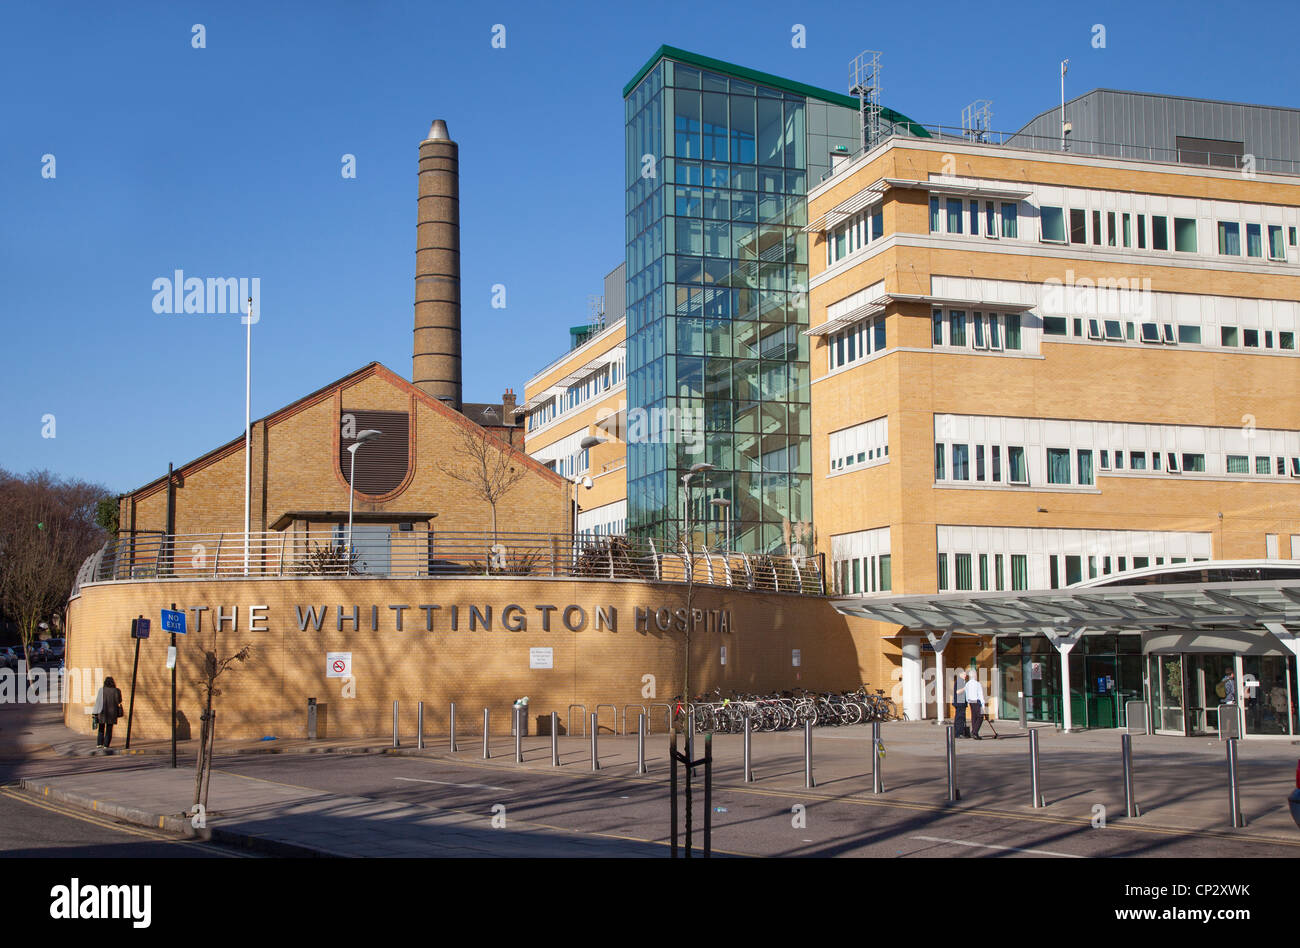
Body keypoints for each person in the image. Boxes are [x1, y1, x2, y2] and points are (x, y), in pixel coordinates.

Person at [92, 676, 124, 749]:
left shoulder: (101, 690)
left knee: (101, 728)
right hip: (112, 713)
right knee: (109, 729)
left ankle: (99, 743)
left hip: (102, 712)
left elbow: (98, 702)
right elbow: (119, 701)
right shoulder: (117, 691)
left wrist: (95, 713)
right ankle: (106, 745)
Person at [965, 672, 987, 739]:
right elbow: (980, 694)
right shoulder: (977, 684)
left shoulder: (967, 684)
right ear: (975, 676)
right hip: (976, 701)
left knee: (974, 717)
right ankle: (974, 732)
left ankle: (975, 733)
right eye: (976, 675)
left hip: (971, 701)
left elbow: (967, 694)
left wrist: (968, 701)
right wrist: (983, 705)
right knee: (980, 717)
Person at [952, 669, 968, 738]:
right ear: (960, 675)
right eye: (964, 674)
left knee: (959, 717)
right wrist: (965, 688)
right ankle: (959, 733)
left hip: (961, 702)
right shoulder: (960, 681)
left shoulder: (961, 681)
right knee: (960, 718)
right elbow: (958, 692)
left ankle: (957, 733)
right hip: (960, 702)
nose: (965, 675)